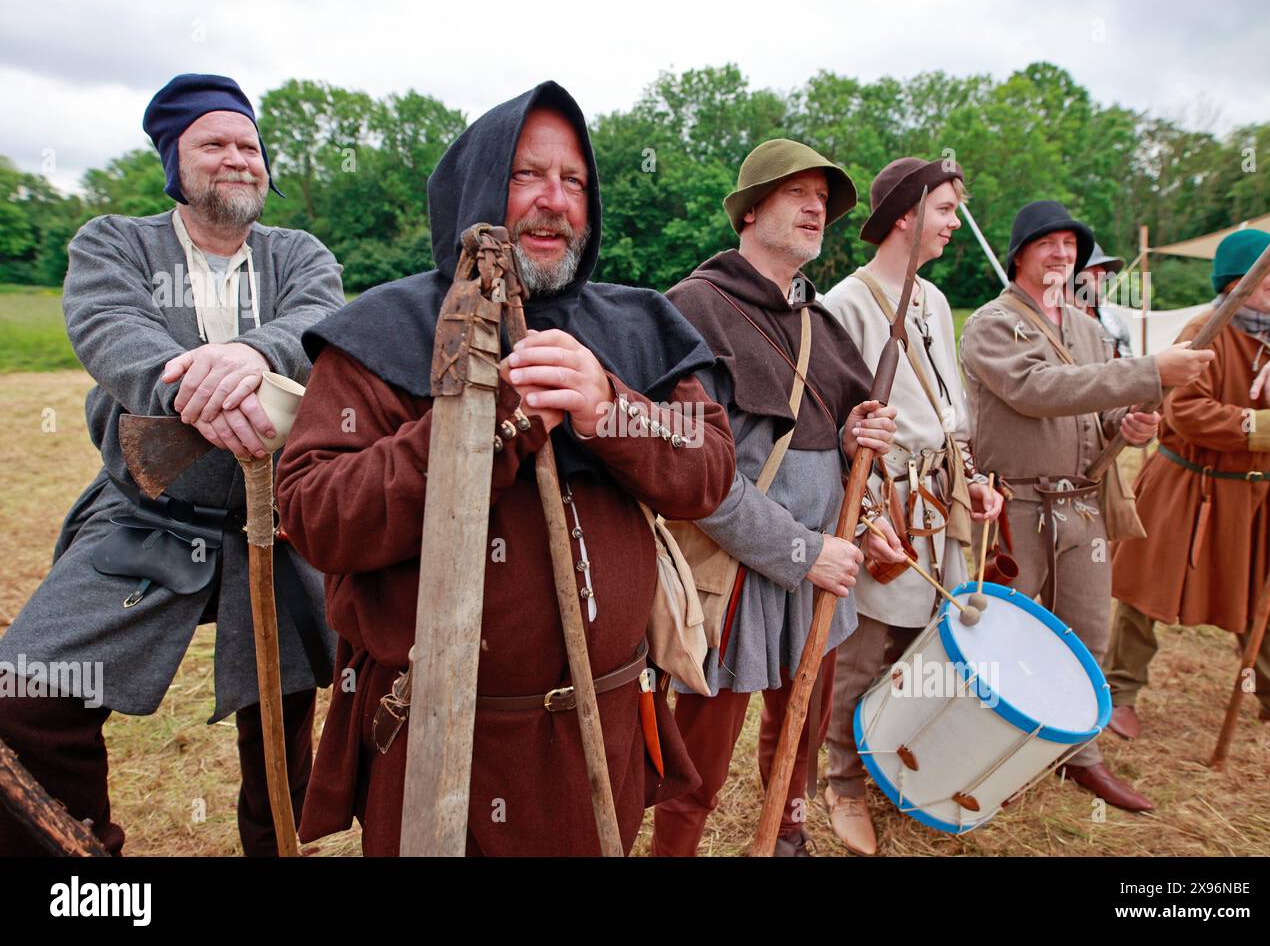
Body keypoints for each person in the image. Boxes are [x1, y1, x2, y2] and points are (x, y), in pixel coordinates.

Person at [276, 81, 737, 856]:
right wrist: (487, 422)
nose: (554, 201)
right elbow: (319, 515)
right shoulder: (387, 332)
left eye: (575, 181)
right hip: (446, 738)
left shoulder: (635, 326)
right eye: (528, 174)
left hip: (606, 729)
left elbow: (709, 470)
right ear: (479, 188)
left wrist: (607, 407)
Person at [0, 74, 342, 856]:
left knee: (282, 717)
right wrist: (201, 386)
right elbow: (110, 327)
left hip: (274, 520)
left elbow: (317, 319)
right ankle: (85, 868)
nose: (238, 160)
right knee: (26, 697)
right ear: (174, 162)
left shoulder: (298, 254)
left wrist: (249, 351)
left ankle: (276, 850)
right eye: (213, 144)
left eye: (249, 146)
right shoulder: (114, 242)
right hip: (148, 516)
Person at [649, 139, 905, 857]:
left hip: (824, 570)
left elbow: (829, 451)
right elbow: (694, 477)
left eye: (823, 199)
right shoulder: (693, 307)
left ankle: (785, 833)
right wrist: (802, 552)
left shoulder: (819, 324)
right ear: (750, 210)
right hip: (738, 573)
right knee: (695, 761)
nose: (816, 207)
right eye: (798, 193)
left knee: (799, 730)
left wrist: (856, 439)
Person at [958, 200, 1214, 812]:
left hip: (1081, 505)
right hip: (1014, 506)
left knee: (1087, 636)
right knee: (1006, 638)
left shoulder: (1090, 330)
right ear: (1020, 253)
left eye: (1071, 246)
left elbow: (1097, 418)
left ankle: (1079, 755)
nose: (1062, 254)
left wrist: (1128, 424)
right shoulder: (992, 325)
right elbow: (1036, 390)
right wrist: (1147, 371)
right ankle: (993, 754)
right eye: (1048, 243)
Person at [819, 156, 1004, 855]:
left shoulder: (931, 300)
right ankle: (839, 782)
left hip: (939, 502)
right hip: (885, 507)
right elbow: (836, 432)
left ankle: (895, 760)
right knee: (864, 652)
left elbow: (949, 414)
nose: (955, 224)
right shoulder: (846, 305)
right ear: (907, 214)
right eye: (947, 209)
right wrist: (867, 525)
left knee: (929, 643)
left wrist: (975, 479)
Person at [1107, 228, 1270, 740]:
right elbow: (1186, 411)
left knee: (1268, 598)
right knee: (1144, 594)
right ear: (1240, 278)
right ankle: (1120, 694)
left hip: (1261, 493)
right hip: (1190, 486)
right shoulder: (1206, 329)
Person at [1074, 242, 1134, 358]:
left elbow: (1128, 369)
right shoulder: (1054, 319)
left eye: (1102, 268)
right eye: (1092, 267)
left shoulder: (1110, 321)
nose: (1102, 273)